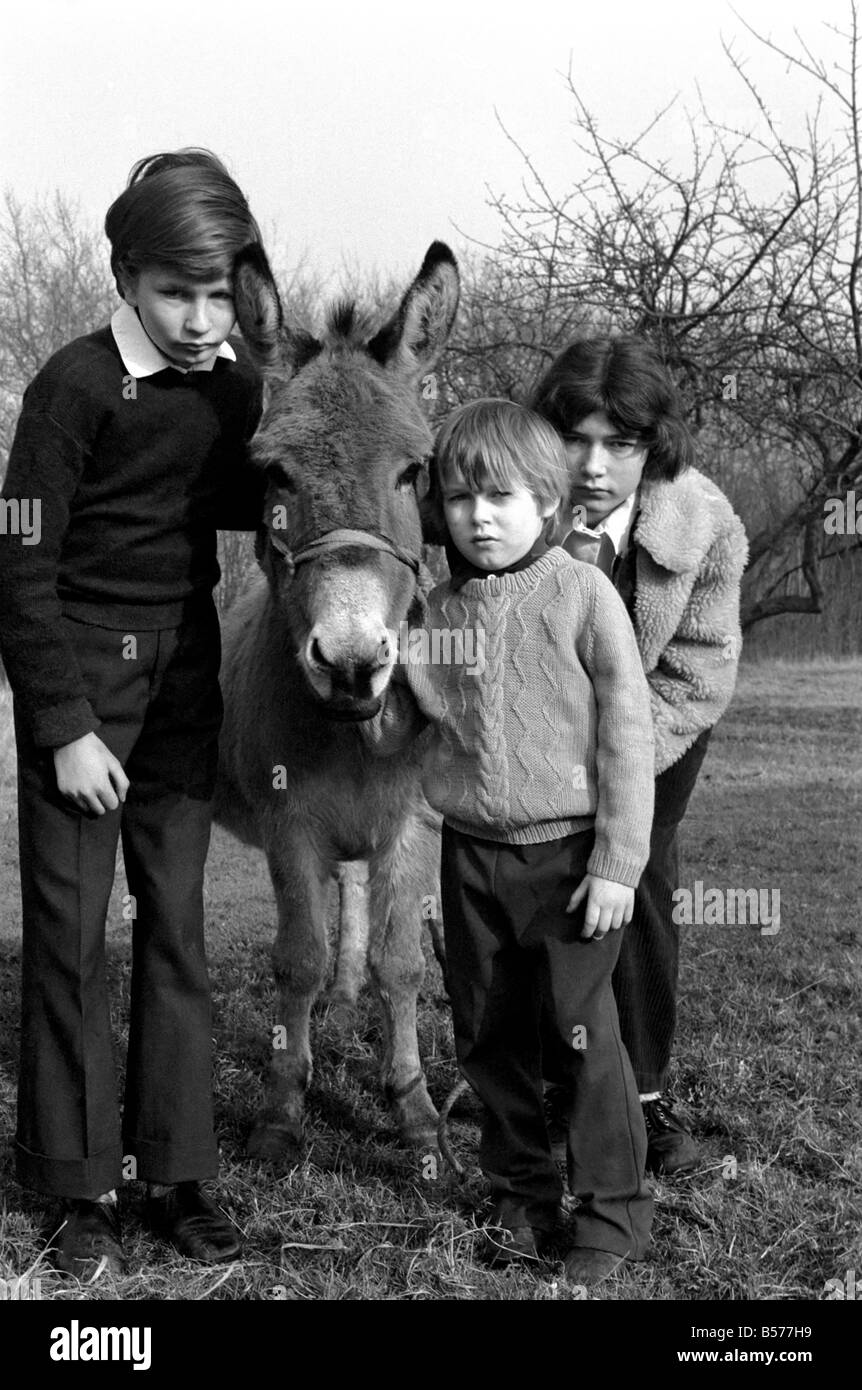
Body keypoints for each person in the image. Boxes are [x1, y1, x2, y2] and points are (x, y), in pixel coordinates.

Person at [0, 148, 272, 1278]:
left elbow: (279, 503)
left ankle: (179, 1172)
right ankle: (76, 1186)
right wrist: (60, 725)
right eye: (177, 293)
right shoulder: (69, 387)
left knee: (178, 931)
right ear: (123, 276)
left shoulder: (233, 390)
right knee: (70, 939)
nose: (203, 319)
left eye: (221, 295)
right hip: (81, 680)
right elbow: (15, 555)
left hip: (183, 685)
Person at [363, 398, 656, 1284]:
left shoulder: (581, 592)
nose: (479, 517)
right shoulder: (433, 610)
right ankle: (520, 1192)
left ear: (549, 502)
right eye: (458, 500)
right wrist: (378, 688)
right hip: (472, 856)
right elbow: (396, 739)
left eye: (501, 497)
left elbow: (628, 735)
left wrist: (617, 863)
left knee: (578, 1031)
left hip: (570, 860)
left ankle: (611, 1210)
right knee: (488, 1032)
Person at [530, 336, 748, 1176]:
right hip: (539, 739)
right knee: (542, 891)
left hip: (660, 732)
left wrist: (609, 767)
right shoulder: (506, 502)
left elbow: (699, 668)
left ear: (651, 446)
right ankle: (559, 1093)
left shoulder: (705, 522)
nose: (592, 466)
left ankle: (645, 1103)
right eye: (573, 439)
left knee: (639, 883)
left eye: (619, 444)